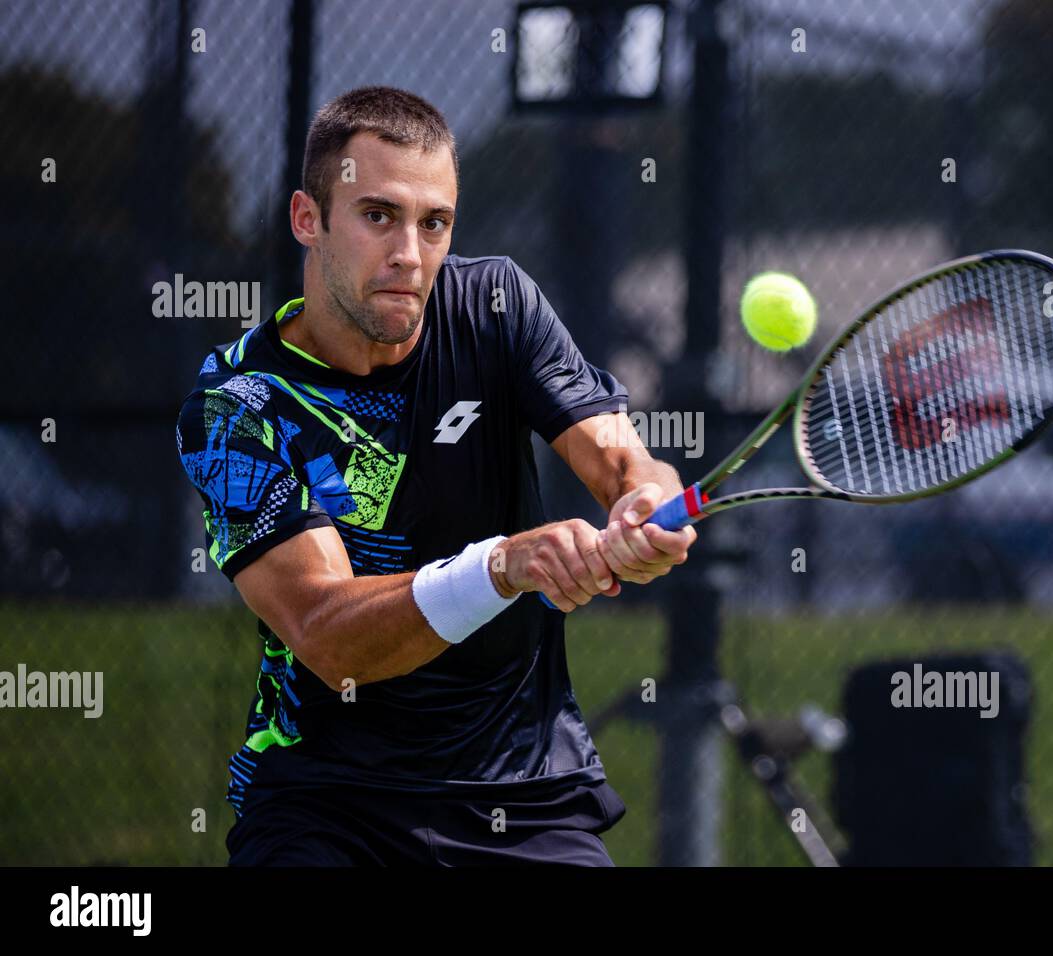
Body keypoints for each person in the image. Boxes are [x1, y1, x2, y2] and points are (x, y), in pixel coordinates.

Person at [175, 85, 697, 865]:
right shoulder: (237, 407)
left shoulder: (496, 305)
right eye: (378, 215)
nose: (409, 255)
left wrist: (642, 501)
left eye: (435, 224)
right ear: (307, 220)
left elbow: (623, 457)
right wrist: (501, 566)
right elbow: (328, 637)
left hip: (521, 790)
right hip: (326, 801)